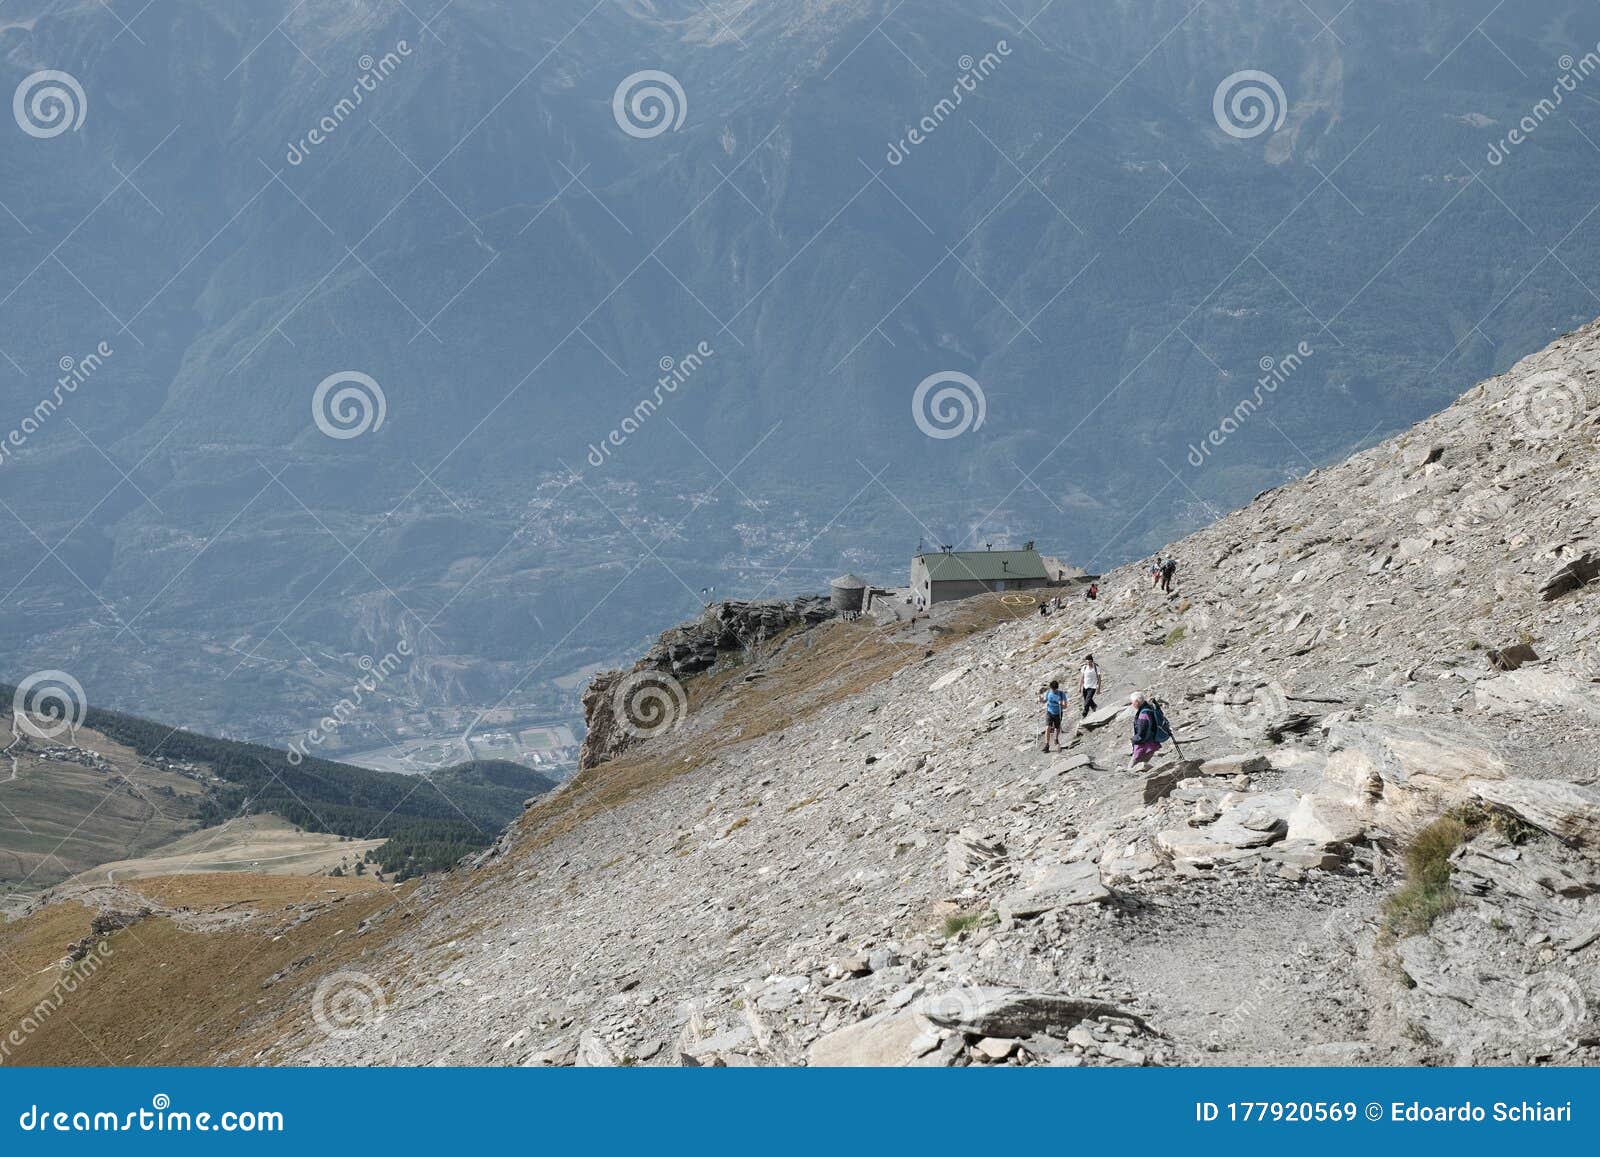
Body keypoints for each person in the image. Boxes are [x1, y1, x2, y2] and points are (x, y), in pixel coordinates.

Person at [1128, 692, 1162, 769]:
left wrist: (1134, 740)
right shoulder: (1149, 708)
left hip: (1144, 747)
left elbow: (1142, 734)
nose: (1132, 704)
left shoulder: (1144, 714)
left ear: (1136, 702)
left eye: (1132, 702)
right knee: (1142, 767)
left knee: (1131, 768)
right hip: (1153, 744)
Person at [1039, 680, 1066, 752]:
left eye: (1054, 689)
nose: (1053, 691)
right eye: (1052, 689)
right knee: (1047, 728)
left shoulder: (1061, 694)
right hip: (1050, 712)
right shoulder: (1048, 692)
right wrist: (1041, 700)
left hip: (1058, 713)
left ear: (1057, 688)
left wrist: (1061, 704)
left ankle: (1056, 739)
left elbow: (1065, 706)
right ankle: (1047, 745)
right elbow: (1045, 701)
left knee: (1057, 728)